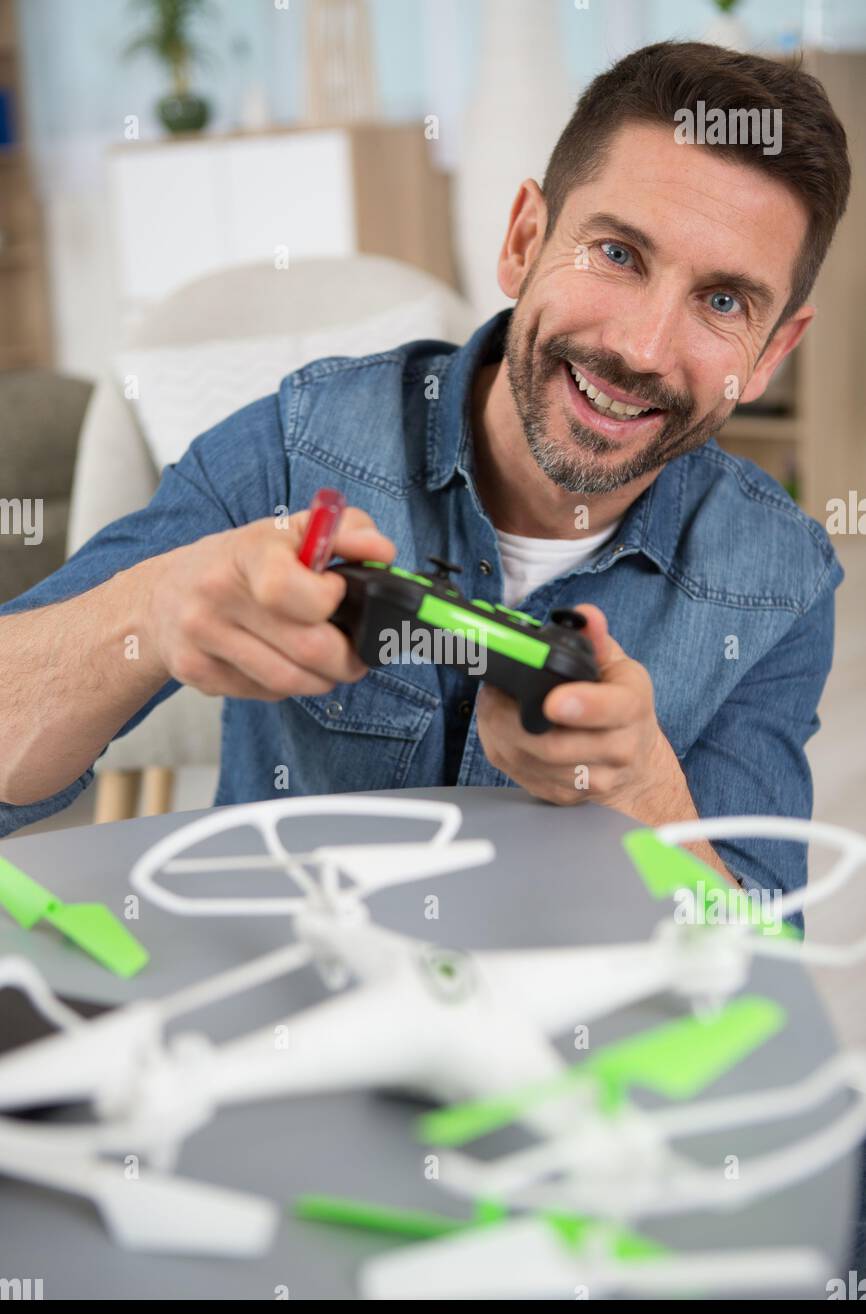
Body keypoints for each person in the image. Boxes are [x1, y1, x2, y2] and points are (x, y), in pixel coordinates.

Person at [0, 42, 850, 922]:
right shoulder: (296, 448)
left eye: (723, 303)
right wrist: (149, 611)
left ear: (773, 350)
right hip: (281, 1012)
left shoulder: (778, 577)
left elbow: (761, 960)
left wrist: (642, 793)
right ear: (524, 241)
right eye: (617, 253)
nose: (641, 350)